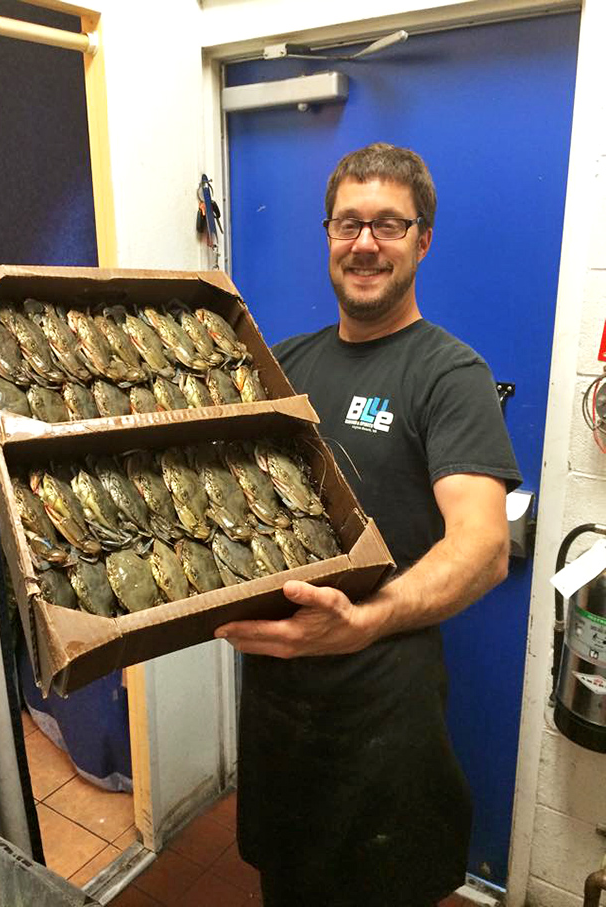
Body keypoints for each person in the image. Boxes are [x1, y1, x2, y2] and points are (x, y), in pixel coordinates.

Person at [214, 143, 522, 907]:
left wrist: (366, 620)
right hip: (280, 710)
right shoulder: (282, 365)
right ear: (328, 235)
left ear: (423, 238)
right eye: (349, 223)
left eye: (389, 224)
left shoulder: (450, 375)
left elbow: (482, 548)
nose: (365, 243)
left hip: (383, 710)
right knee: (284, 885)